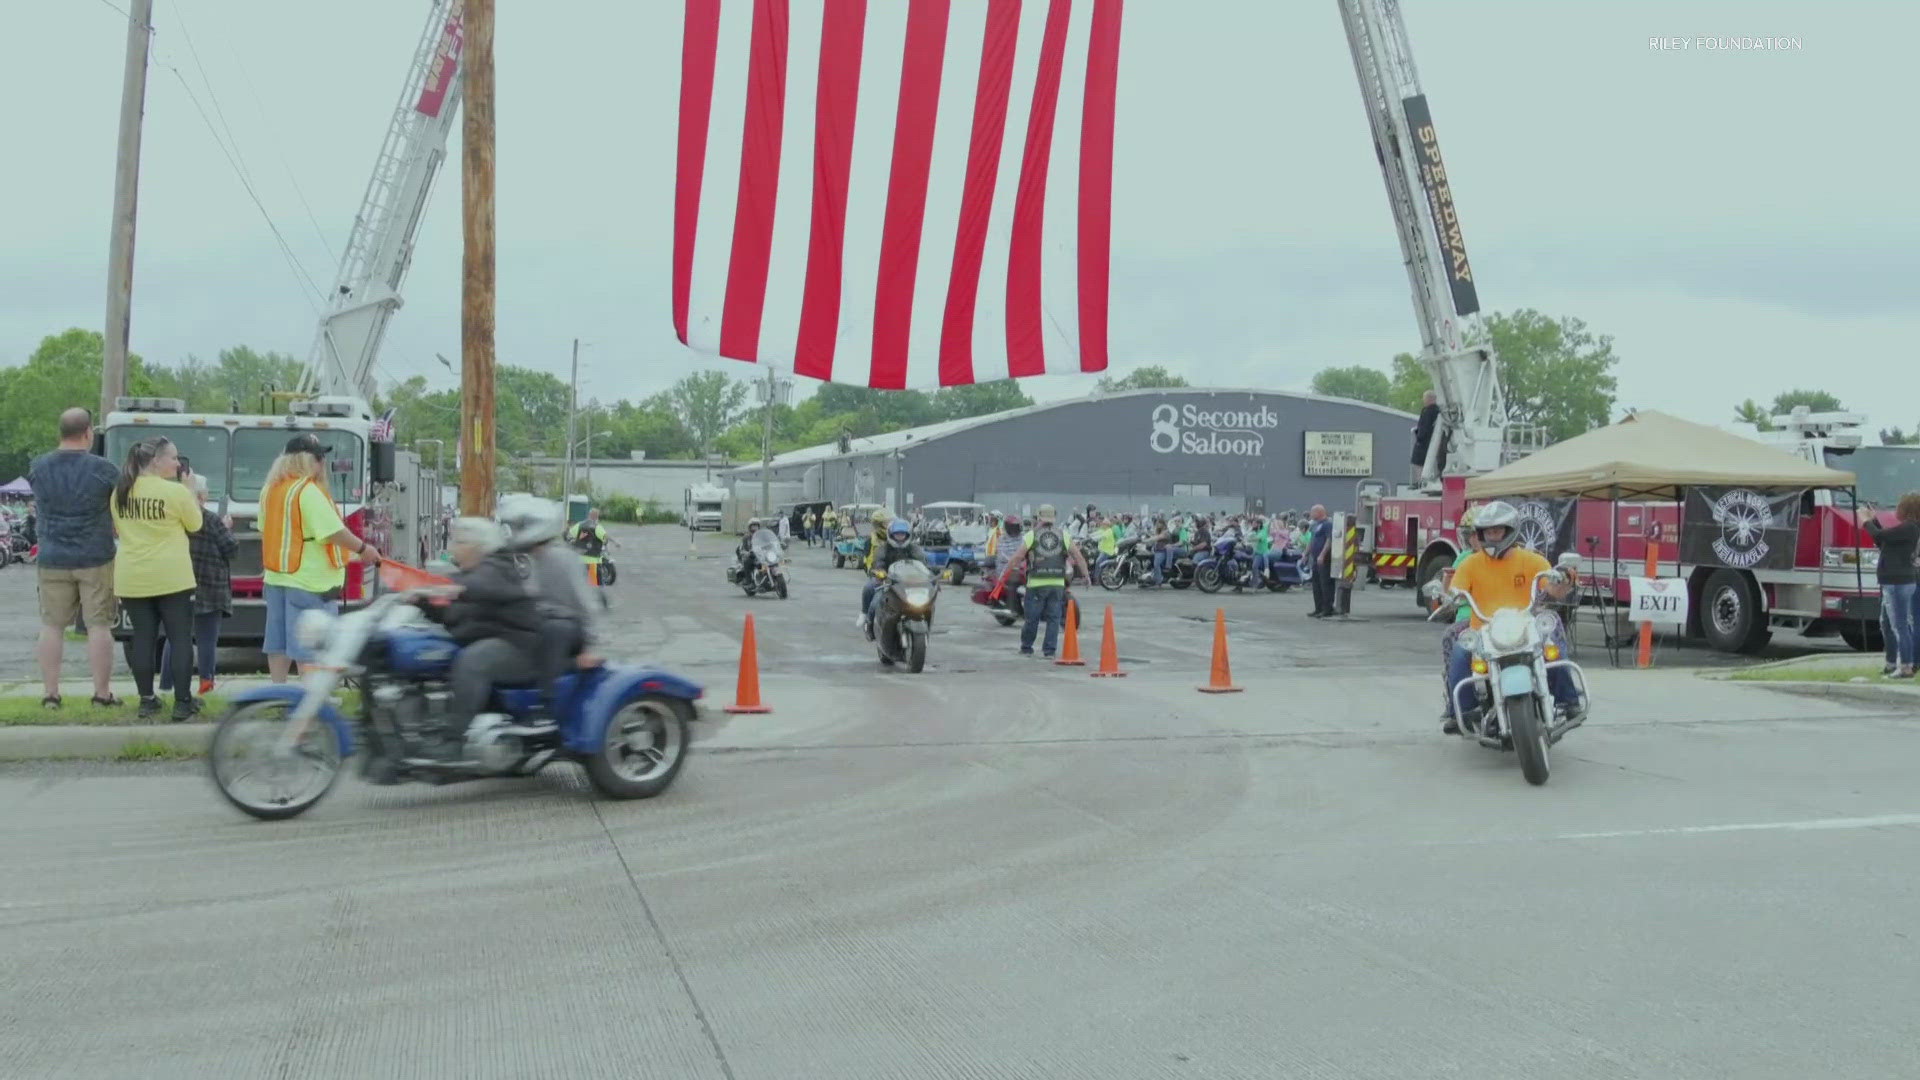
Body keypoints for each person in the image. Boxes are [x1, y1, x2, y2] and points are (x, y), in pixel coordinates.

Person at [1441, 501, 1580, 733]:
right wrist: (1446, 595)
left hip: (1525, 626)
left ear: (1509, 531)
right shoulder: (1470, 564)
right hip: (1483, 630)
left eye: (1496, 531)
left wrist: (1565, 579)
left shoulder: (1531, 560)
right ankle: (1462, 712)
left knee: (1552, 642)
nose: (1491, 537)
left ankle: (1569, 699)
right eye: (1487, 532)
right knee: (1460, 650)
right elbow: (1454, 592)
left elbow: (1554, 589)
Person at [415, 517, 546, 760]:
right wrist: (420, 600)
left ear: (477, 546)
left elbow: (481, 586)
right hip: (494, 640)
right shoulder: (468, 574)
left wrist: (449, 588)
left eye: (459, 541)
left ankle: (453, 742)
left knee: (473, 661)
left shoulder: (499, 565)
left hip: (521, 647)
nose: (453, 547)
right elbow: (453, 614)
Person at [261, 434, 382, 684]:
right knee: (311, 648)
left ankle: (278, 696)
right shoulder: (307, 491)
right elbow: (333, 532)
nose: (323, 463)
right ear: (306, 461)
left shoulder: (271, 490)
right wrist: (363, 549)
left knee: (278, 644)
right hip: (309, 582)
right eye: (319, 457)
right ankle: (309, 702)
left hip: (276, 578)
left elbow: (268, 528)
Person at [28, 407, 123, 711]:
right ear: (87, 433)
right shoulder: (104, 469)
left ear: (61, 432)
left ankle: (51, 694)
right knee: (98, 625)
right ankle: (101, 693)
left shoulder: (38, 466)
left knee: (52, 625)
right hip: (95, 557)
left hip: (52, 556)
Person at [110, 437, 203, 720]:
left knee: (143, 639)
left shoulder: (120, 492)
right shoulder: (175, 493)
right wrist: (189, 492)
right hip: (171, 576)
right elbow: (196, 525)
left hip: (132, 575)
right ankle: (182, 702)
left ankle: (147, 700)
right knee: (180, 638)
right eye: (173, 458)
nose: (178, 464)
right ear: (157, 461)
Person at [499, 495, 605, 716]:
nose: (514, 531)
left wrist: (591, 647)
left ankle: (545, 707)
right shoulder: (524, 558)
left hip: (567, 624)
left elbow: (587, 603)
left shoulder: (564, 558)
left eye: (520, 526)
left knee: (553, 630)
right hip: (541, 621)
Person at [159, 471, 237, 699]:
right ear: (201, 497)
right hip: (210, 588)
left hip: (178, 585)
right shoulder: (211, 520)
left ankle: (166, 685)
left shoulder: (172, 519)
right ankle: (205, 684)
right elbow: (231, 549)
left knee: (174, 638)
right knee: (206, 640)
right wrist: (227, 528)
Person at [999, 504, 1090, 659]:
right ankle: (1049, 651)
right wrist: (1086, 575)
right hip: (1057, 584)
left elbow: (1018, 557)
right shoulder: (1064, 535)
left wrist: (1004, 573)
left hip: (1036, 583)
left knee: (1032, 619)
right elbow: (1078, 556)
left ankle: (1027, 648)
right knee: (1054, 619)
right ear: (1053, 518)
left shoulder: (1031, 535)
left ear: (1039, 517)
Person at [1862, 496, 1920, 679]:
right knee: (1887, 623)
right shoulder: (1905, 530)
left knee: (1900, 625)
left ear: (1907, 509)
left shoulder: (1910, 528)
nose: (1897, 509)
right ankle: (1891, 663)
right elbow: (1884, 541)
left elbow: (1881, 536)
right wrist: (1874, 521)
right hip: (1893, 581)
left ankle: (1906, 667)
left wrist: (1866, 522)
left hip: (1898, 582)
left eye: (1900, 506)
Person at [1436, 507, 1480, 722]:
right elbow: (1449, 593)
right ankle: (1455, 702)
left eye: (1474, 533)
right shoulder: (1463, 558)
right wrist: (1446, 585)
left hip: (1503, 620)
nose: (1471, 539)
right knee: (1451, 639)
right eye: (1469, 534)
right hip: (1469, 618)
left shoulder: (1507, 557)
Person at [860, 519, 929, 634]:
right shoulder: (883, 549)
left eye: (902, 534)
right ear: (891, 535)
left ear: (908, 535)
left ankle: (926, 624)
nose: (900, 537)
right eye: (897, 534)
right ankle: (869, 623)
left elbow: (923, 564)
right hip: (887, 582)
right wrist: (880, 572)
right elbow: (878, 563)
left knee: (927, 600)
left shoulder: (914, 549)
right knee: (874, 598)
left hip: (909, 583)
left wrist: (930, 575)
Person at [567, 508, 611, 584]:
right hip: (593, 563)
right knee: (593, 588)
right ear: (597, 517)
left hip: (578, 562)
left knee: (578, 586)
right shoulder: (598, 527)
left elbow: (568, 537)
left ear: (588, 515)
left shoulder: (579, 525)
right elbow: (605, 539)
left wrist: (576, 541)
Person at [1306, 505, 1336, 617]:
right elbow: (1311, 540)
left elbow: (1329, 540)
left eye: (1312, 512)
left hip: (1324, 559)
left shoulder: (1327, 524)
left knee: (1325, 584)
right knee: (1316, 584)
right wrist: (1306, 553)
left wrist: (1322, 555)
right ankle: (1318, 608)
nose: (1311, 514)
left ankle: (1327, 609)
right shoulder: (1314, 525)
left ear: (1319, 512)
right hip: (1315, 559)